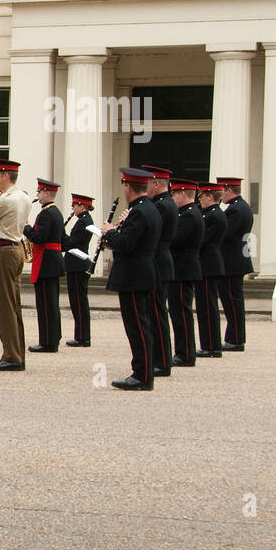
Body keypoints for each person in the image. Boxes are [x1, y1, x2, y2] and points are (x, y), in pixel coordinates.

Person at [99, 167, 160, 391]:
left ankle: (142, 375)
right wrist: (113, 240)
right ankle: (142, 371)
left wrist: (109, 232)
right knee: (140, 324)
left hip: (135, 274)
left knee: (137, 326)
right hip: (140, 271)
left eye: (124, 185)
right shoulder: (148, 209)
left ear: (128, 186)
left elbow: (126, 244)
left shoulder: (139, 211)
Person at [0, 158, 32, 372]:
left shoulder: (4, 201)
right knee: (14, 305)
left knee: (4, 306)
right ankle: (17, 353)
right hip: (16, 248)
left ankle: (11, 356)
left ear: (4, 176)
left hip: (3, 250)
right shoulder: (23, 197)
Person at [141, 165, 176, 377]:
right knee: (156, 313)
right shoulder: (164, 203)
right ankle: (160, 358)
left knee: (156, 313)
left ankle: (162, 361)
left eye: (148, 184)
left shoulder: (162, 206)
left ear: (156, 183)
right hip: (160, 261)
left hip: (158, 262)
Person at [23, 178, 65, 354]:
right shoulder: (56, 212)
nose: (38, 195)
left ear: (47, 193)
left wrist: (26, 228)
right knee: (51, 303)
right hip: (51, 260)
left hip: (46, 262)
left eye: (39, 192)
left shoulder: (47, 213)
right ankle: (52, 338)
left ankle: (47, 341)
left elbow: (39, 237)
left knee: (46, 304)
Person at [168, 178, 204, 367]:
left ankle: (185, 353)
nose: (172, 197)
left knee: (181, 313)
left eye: (174, 193)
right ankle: (183, 351)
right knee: (178, 313)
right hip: (181, 269)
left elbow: (176, 240)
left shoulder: (189, 215)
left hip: (183, 270)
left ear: (183, 194)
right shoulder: (186, 213)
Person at [217, 176, 253, 351]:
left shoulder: (236, 210)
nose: (220, 195)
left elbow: (226, 234)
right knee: (233, 301)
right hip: (235, 260)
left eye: (221, 192)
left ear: (228, 190)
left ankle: (236, 339)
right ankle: (234, 337)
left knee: (232, 302)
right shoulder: (240, 207)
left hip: (232, 261)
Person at [195, 181, 226, 359]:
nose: (200, 200)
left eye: (202, 196)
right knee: (205, 306)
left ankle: (211, 346)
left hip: (209, 264)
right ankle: (209, 344)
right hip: (207, 264)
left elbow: (203, 239)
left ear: (209, 196)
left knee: (207, 307)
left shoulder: (214, 216)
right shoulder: (210, 214)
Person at [63, 193, 94, 347]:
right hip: (76, 264)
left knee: (79, 302)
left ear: (82, 206)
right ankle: (81, 335)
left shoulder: (84, 222)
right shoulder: (83, 220)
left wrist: (61, 236)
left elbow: (73, 243)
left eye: (74, 205)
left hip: (77, 264)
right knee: (77, 301)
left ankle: (82, 337)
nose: (72, 208)